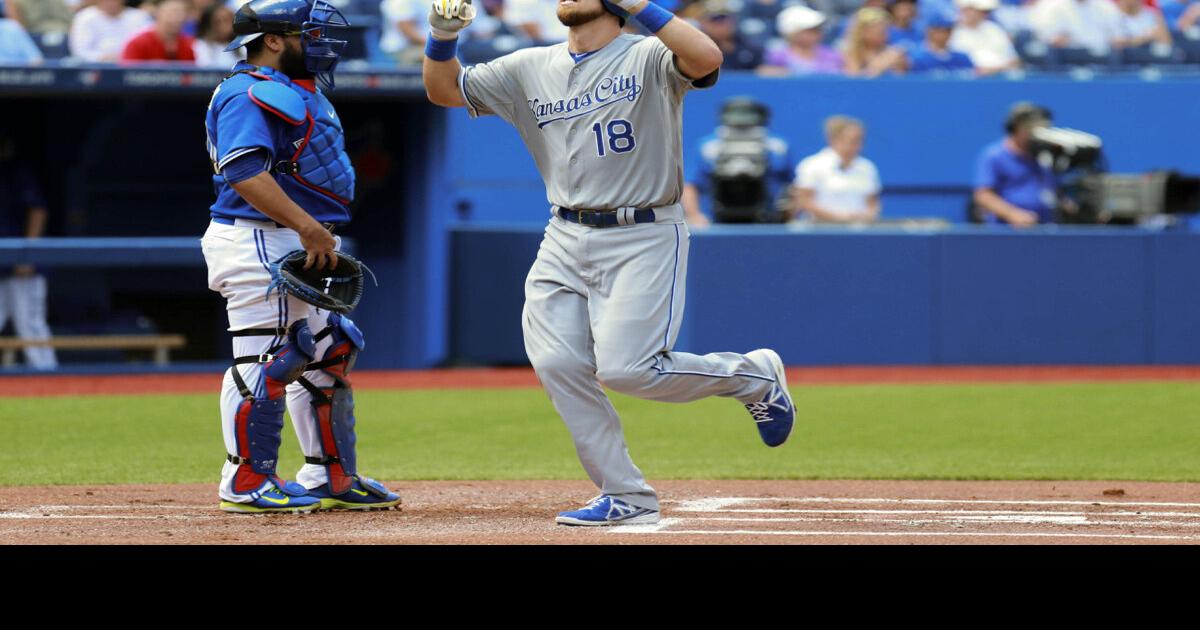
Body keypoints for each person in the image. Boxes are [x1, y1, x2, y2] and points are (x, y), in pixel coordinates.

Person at [423, 0, 796, 526]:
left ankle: (751, 377)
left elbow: (708, 57)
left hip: (643, 230)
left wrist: (642, 5)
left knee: (628, 370)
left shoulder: (648, 54)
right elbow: (443, 90)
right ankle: (626, 494)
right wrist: (442, 36)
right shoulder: (528, 65)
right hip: (563, 232)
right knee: (557, 365)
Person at [202, 0, 401, 513]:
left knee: (330, 349)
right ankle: (245, 480)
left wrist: (310, 232)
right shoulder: (249, 92)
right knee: (272, 355)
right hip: (258, 236)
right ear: (272, 40)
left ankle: (328, 475)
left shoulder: (294, 89)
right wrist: (308, 227)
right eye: (307, 34)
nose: (321, 43)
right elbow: (244, 173)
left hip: (293, 237)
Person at [682, 97, 795, 225]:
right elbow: (690, 185)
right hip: (715, 222)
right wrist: (694, 215)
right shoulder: (707, 148)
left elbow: (795, 185)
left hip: (769, 221)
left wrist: (789, 217)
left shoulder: (778, 147)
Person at [0, 133, 57, 371]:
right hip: (3, 265)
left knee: (30, 325)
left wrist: (28, 254)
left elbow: (38, 210)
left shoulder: (15, 172)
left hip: (21, 266)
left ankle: (48, 379)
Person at [972, 102, 1058, 227]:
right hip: (1008, 229)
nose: (1036, 134)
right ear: (1015, 128)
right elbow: (983, 195)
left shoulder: (1046, 156)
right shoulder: (994, 155)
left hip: (1046, 227)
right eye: (1030, 128)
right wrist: (1012, 214)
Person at [791, 115, 882, 224]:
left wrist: (868, 216)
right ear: (833, 139)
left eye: (859, 140)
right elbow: (804, 200)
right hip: (819, 229)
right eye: (851, 140)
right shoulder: (811, 165)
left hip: (859, 229)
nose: (856, 145)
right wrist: (837, 218)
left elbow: (873, 202)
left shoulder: (868, 168)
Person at [760, 4, 843, 75]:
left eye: (818, 30)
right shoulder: (777, 56)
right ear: (793, 33)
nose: (816, 34)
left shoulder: (832, 55)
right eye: (809, 31)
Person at [949, 0, 1021, 74]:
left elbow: (1015, 60)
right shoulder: (952, 32)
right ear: (965, 9)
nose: (983, 14)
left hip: (1003, 76)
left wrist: (995, 70)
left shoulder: (994, 29)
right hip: (968, 78)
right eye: (979, 10)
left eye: (985, 11)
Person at [1029, 0, 1123, 56]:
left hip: (1101, 56)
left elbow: (1117, 37)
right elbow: (1046, 37)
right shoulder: (1052, 6)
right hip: (1067, 56)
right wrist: (1054, 40)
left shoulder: (1106, 7)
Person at [68, 0, 152, 62]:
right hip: (95, 68)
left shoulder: (140, 16)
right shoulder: (84, 17)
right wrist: (103, 58)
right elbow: (80, 51)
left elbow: (149, 46)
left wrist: (127, 57)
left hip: (133, 67)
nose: (111, 2)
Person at [695, 0, 763, 71]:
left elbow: (761, 69)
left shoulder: (749, 46)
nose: (721, 25)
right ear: (703, 23)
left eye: (724, 19)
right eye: (715, 20)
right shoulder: (697, 48)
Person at [121, 0, 197, 62]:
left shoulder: (190, 45)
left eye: (182, 13)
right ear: (158, 13)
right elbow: (126, 73)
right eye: (173, 12)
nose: (178, 18)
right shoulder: (138, 44)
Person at [842, 6, 908, 76]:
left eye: (885, 29)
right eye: (877, 29)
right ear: (862, 32)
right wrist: (880, 65)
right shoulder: (849, 53)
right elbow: (854, 79)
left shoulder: (895, 53)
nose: (883, 33)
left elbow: (901, 77)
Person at [908, 13, 974, 73]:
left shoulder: (962, 57)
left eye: (948, 30)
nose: (945, 34)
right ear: (929, 31)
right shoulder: (916, 57)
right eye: (940, 30)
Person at [193, 1, 241, 66]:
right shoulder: (199, 46)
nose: (225, 26)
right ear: (209, 25)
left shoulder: (242, 47)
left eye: (228, 21)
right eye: (218, 22)